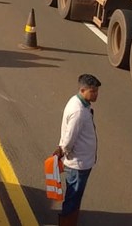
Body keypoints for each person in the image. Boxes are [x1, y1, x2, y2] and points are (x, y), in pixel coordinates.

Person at [52, 74, 100, 226]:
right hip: (78, 163)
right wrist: (63, 151)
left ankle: (71, 220)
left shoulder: (80, 102)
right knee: (73, 197)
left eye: (97, 91)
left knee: (75, 196)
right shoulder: (78, 111)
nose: (96, 94)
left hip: (83, 160)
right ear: (82, 89)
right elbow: (69, 138)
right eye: (93, 91)